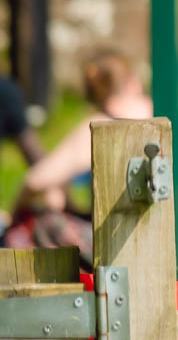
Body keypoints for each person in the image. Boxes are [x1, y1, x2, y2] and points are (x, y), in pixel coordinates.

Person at [3, 51, 150, 268]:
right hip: (149, 235)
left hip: (116, 242)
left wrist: (12, 216)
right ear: (133, 82)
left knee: (36, 225)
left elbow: (37, 180)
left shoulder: (101, 125)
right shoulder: (154, 112)